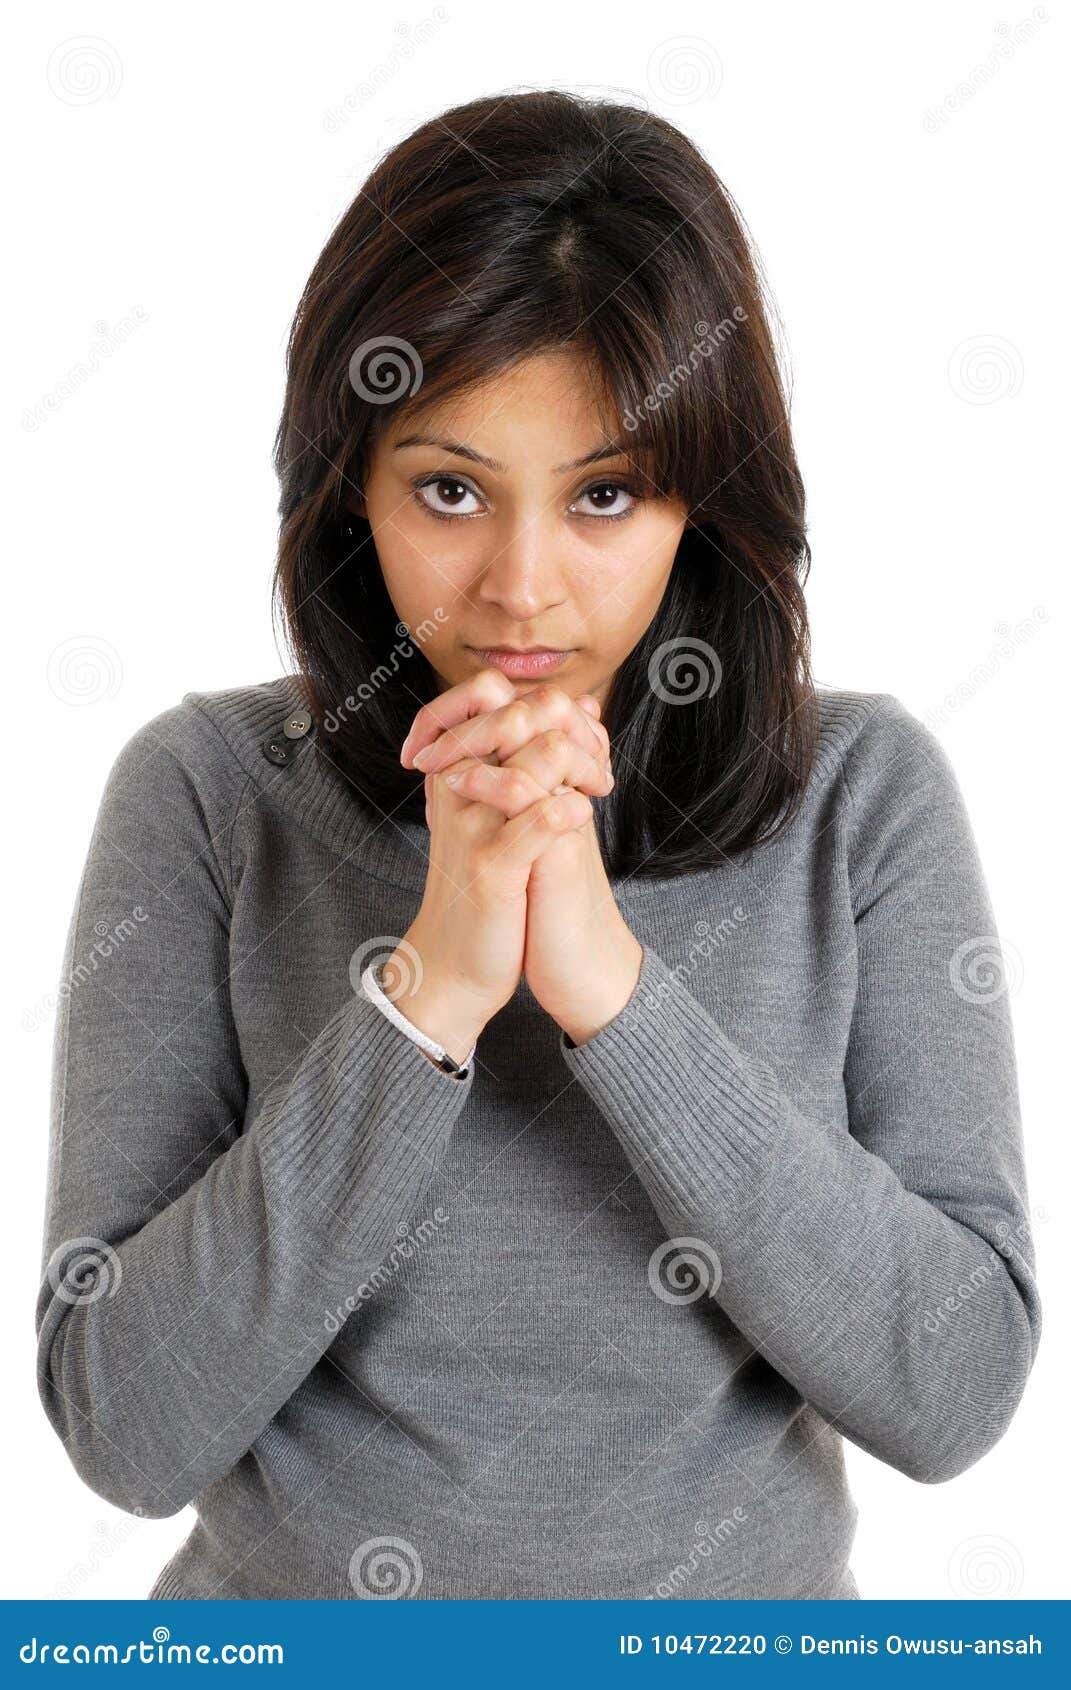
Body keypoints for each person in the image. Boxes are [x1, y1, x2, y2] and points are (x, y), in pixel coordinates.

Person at [36, 88, 1041, 1601]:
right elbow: (123, 1424)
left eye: (604, 495)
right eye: (449, 490)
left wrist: (613, 990)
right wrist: (430, 987)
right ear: (345, 492)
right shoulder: (207, 794)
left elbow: (955, 1388)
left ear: (704, 502)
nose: (520, 590)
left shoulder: (863, 795)